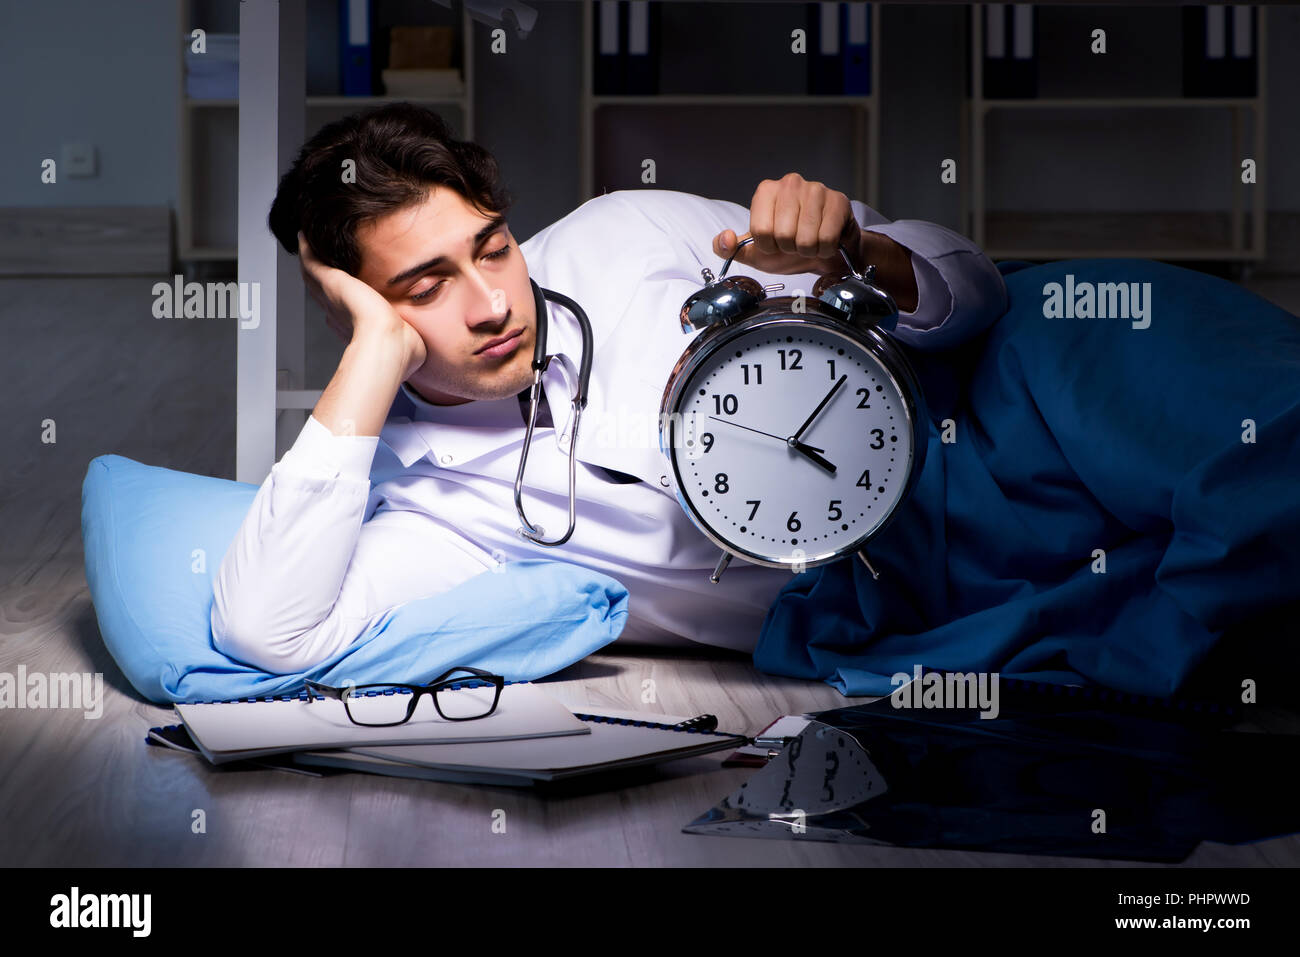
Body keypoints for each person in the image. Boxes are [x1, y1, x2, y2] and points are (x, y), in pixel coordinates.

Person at [210, 103, 1008, 675]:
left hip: (991, 437)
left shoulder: (625, 232)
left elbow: (978, 287)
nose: (491, 306)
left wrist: (850, 254)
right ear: (351, 308)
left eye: (491, 249)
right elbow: (265, 628)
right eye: (425, 288)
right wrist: (372, 351)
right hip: (941, 600)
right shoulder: (431, 510)